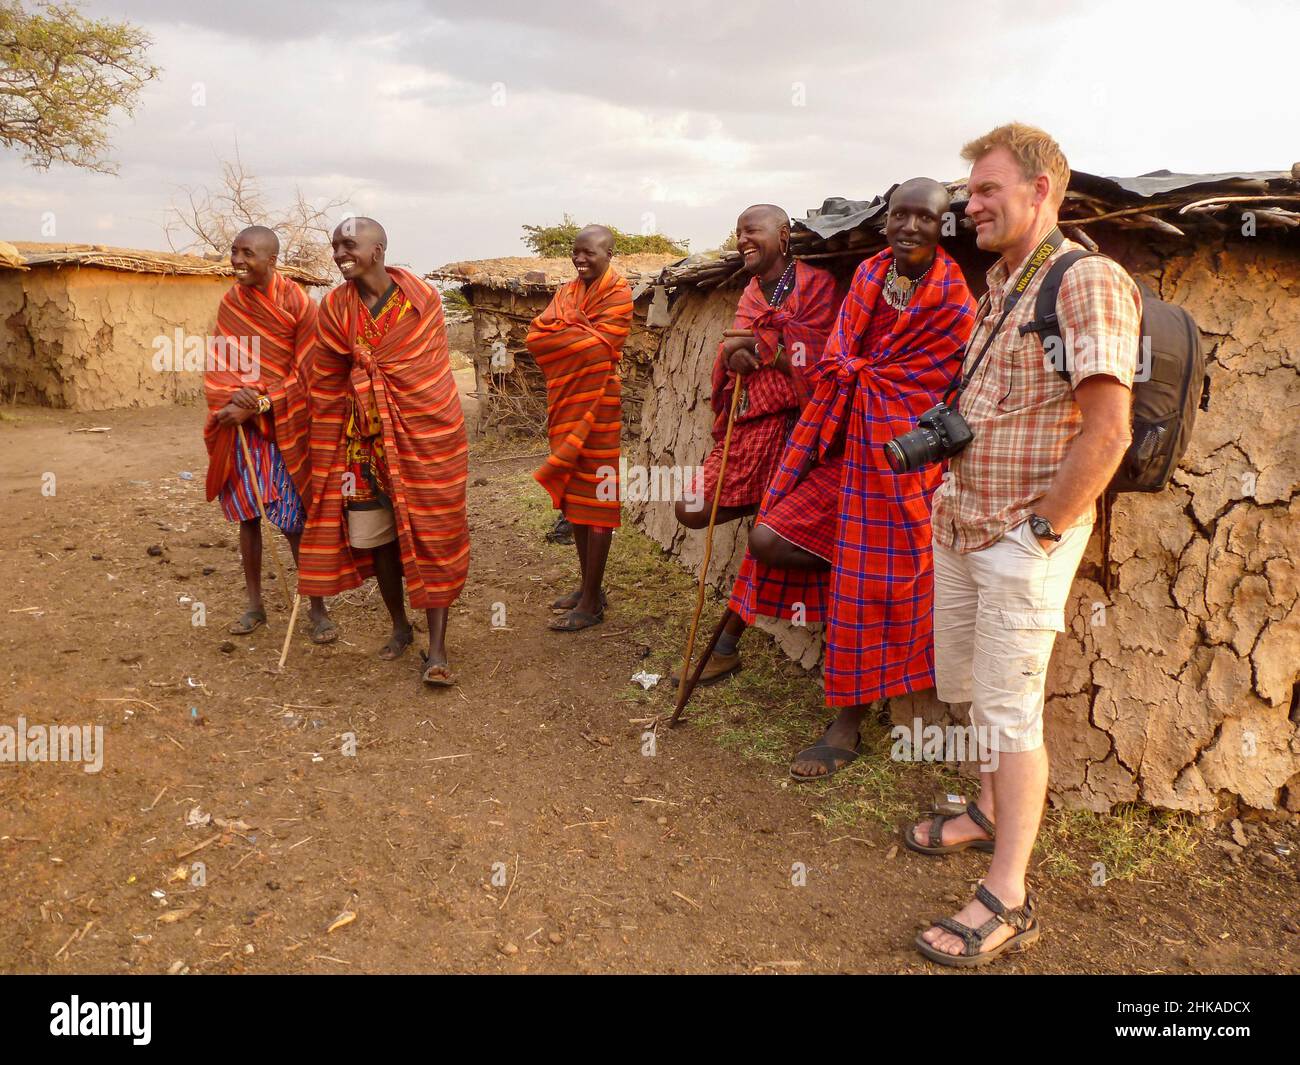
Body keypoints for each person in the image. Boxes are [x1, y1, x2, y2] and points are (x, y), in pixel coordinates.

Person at [911, 124, 1141, 967]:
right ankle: (984, 812)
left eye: (986, 190)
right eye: (968, 192)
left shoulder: (1085, 281)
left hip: (1019, 538)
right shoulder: (1003, 284)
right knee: (972, 689)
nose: (968, 205)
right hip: (965, 522)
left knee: (1010, 714)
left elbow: (1109, 429)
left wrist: (1041, 531)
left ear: (1042, 189)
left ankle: (1008, 893)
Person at [728, 180, 976, 779]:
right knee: (770, 535)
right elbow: (836, 356)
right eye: (900, 216)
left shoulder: (954, 297)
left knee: (872, 575)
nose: (910, 226)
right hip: (846, 444)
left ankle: (847, 722)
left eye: (925, 217)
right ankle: (854, 574)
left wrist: (867, 384)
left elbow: (934, 383)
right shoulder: (866, 276)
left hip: (902, 462)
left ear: (943, 226)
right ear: (886, 222)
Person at [297, 217, 470, 687]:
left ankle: (436, 649)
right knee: (377, 537)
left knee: (432, 531)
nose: (338, 254)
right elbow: (324, 375)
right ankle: (399, 625)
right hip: (361, 443)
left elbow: (427, 375)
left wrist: (379, 382)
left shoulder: (421, 300)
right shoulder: (333, 307)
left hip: (426, 435)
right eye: (334, 246)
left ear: (378, 250)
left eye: (348, 245)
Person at [670, 204, 838, 683]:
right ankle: (784, 524)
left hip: (804, 431)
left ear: (783, 235)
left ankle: (727, 643)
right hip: (752, 427)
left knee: (768, 527)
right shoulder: (749, 292)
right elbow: (735, 349)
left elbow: (827, 359)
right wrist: (734, 356)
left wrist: (771, 352)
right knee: (692, 507)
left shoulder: (817, 286)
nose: (743, 239)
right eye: (738, 231)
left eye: (753, 230)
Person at [202, 225, 334, 643]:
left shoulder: (299, 304)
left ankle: (316, 608)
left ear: (271, 260)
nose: (238, 261)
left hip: (284, 426)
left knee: (295, 521)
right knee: (247, 516)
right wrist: (231, 398)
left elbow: (308, 370)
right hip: (243, 430)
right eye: (234, 252)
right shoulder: (231, 304)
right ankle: (255, 605)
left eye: (247, 253)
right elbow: (223, 362)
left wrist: (262, 401)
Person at [527, 225, 633, 632]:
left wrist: (569, 333)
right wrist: (575, 334)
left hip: (601, 408)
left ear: (608, 253)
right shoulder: (567, 292)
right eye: (576, 252)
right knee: (575, 498)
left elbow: (598, 346)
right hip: (568, 404)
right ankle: (591, 588)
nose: (580, 259)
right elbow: (538, 339)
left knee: (599, 502)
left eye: (589, 252)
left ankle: (590, 604)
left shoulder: (619, 292)